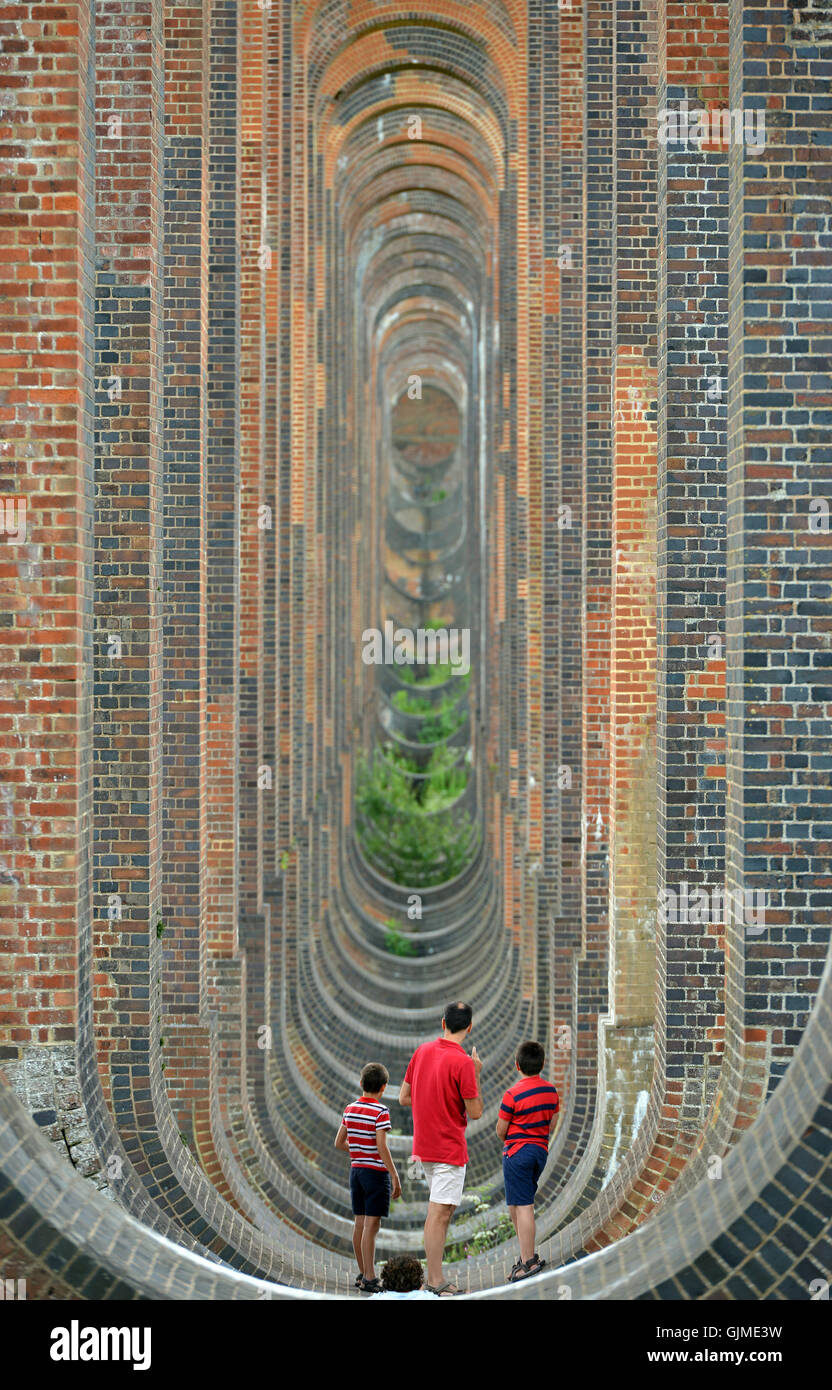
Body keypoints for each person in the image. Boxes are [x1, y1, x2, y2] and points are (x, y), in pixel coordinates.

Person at [399, 1001, 482, 1296]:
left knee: (439, 1212)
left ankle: (434, 1275)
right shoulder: (463, 1064)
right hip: (448, 1149)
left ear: (442, 1022)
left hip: (425, 1148)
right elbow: (475, 1112)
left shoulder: (421, 1052)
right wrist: (477, 1073)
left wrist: (430, 1099)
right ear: (469, 1027)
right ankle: (434, 1280)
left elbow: (404, 1097)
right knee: (439, 1214)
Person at [335, 1062, 402, 1293]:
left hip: (356, 1172)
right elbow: (381, 1146)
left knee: (360, 1223)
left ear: (361, 1083)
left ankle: (364, 1273)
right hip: (375, 1174)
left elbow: (338, 1142)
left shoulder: (349, 1109)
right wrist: (394, 1174)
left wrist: (358, 1152)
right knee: (372, 1225)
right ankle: (371, 1277)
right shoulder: (381, 1112)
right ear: (383, 1087)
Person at [496, 1039, 559, 1282]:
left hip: (517, 1153)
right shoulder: (551, 1091)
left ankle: (528, 1261)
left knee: (523, 1207)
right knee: (517, 1204)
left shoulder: (512, 1095)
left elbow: (501, 1130)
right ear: (542, 1064)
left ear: (517, 1065)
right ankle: (525, 1251)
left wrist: (515, 1139)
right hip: (539, 1152)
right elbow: (551, 1124)